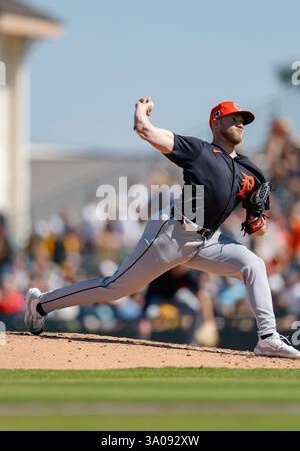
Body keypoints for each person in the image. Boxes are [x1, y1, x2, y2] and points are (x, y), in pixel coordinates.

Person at [24, 98, 300, 359]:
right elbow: (144, 130)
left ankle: (268, 338)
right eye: (233, 118)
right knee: (115, 288)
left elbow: (257, 227)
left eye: (243, 120)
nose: (240, 123)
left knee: (253, 263)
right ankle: (40, 304)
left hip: (207, 241)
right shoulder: (199, 150)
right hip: (173, 233)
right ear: (215, 124)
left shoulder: (250, 170)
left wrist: (258, 223)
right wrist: (142, 111)